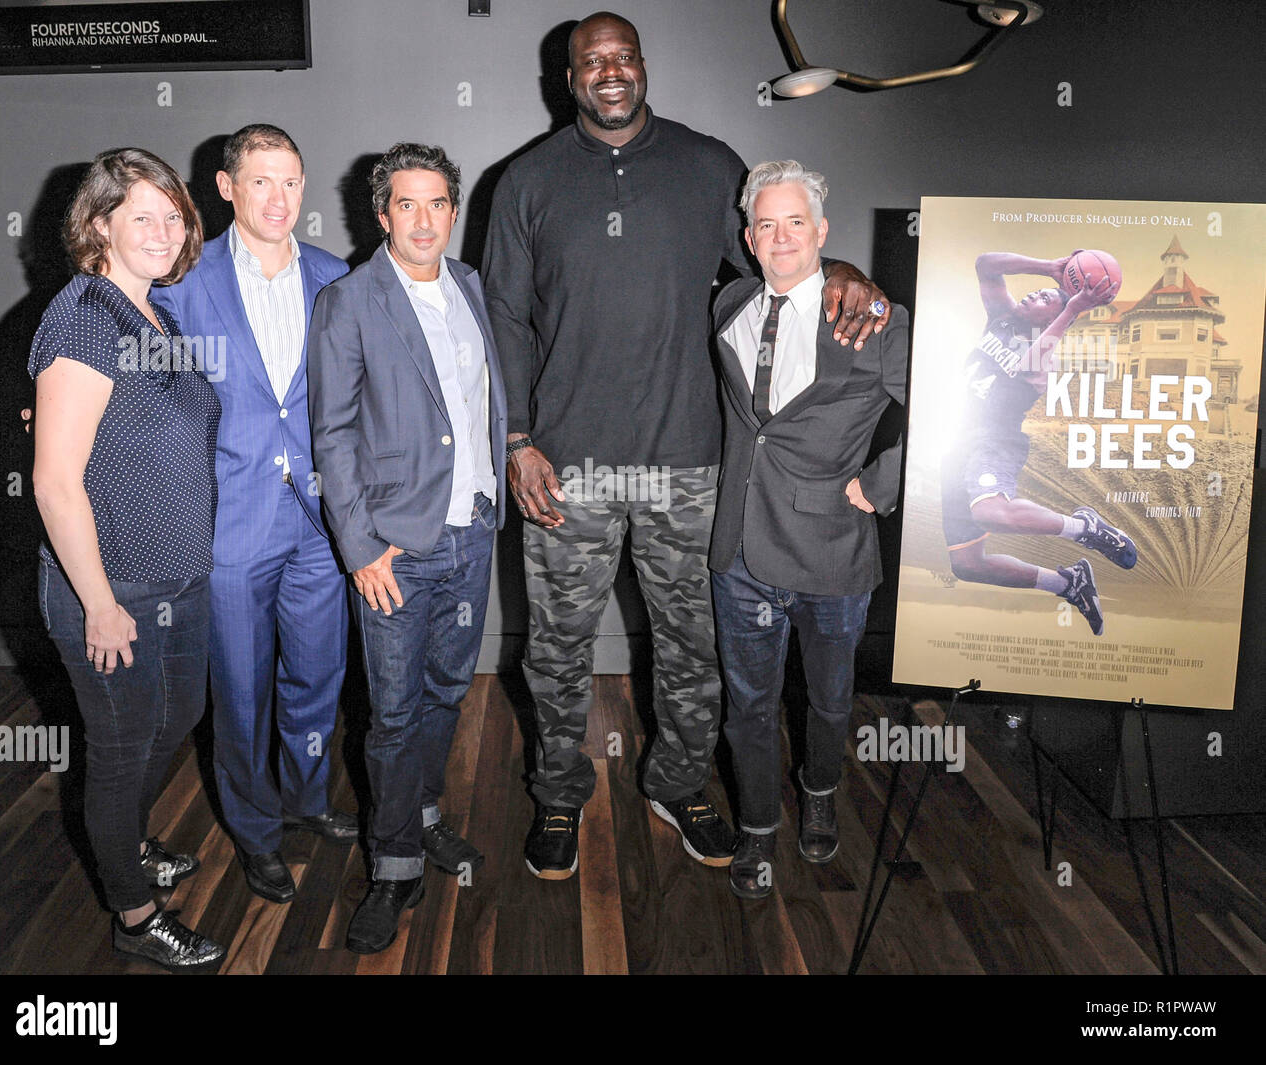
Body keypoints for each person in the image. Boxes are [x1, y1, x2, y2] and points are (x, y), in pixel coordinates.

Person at [482, 10, 892, 880]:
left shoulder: (711, 166)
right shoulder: (526, 181)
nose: (609, 71)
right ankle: (558, 794)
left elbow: (777, 258)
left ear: (642, 65)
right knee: (554, 648)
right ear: (569, 78)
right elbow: (505, 320)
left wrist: (845, 273)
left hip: (689, 464)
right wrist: (517, 439)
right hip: (569, 467)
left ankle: (676, 779)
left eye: (622, 55)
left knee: (695, 647)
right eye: (590, 60)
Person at [307, 143, 507, 954]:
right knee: (390, 715)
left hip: (473, 532)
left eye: (438, 204)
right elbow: (333, 434)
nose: (424, 220)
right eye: (407, 205)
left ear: (451, 211)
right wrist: (361, 548)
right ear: (380, 214)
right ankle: (392, 865)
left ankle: (423, 817)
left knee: (447, 691)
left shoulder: (469, 286)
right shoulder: (348, 302)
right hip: (395, 546)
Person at [29, 147, 225, 969]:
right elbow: (54, 482)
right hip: (114, 590)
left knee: (173, 721)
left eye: (171, 214)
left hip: (179, 577)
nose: (161, 228)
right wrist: (101, 603)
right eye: (139, 214)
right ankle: (135, 916)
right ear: (98, 224)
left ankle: (128, 846)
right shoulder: (84, 316)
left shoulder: (158, 316)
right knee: (118, 750)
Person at [153, 125, 356, 905]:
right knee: (239, 691)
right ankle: (255, 829)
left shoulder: (337, 277)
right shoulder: (182, 282)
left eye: (292, 181)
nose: (279, 198)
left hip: (317, 522)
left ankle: (306, 798)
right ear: (227, 187)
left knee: (317, 674)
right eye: (261, 181)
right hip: (229, 522)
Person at [710, 161, 909, 898]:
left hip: (832, 549)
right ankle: (758, 827)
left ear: (822, 231)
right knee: (749, 705)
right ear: (749, 237)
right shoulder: (730, 303)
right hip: (739, 551)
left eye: (797, 222)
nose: (781, 236)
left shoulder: (873, 317)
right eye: (766, 223)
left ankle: (820, 788)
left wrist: (880, 485)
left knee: (828, 700)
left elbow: (950, 410)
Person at [941, 251, 1130, 635]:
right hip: (957, 444)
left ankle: (1085, 529)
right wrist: (1052, 268)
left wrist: (1071, 311)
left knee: (991, 512)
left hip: (994, 441)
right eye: (1037, 292)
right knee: (968, 565)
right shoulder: (1001, 319)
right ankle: (1069, 583)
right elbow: (985, 264)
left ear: (1054, 317)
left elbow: (1028, 367)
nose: (1033, 296)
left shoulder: (1047, 359)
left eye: (1045, 298)